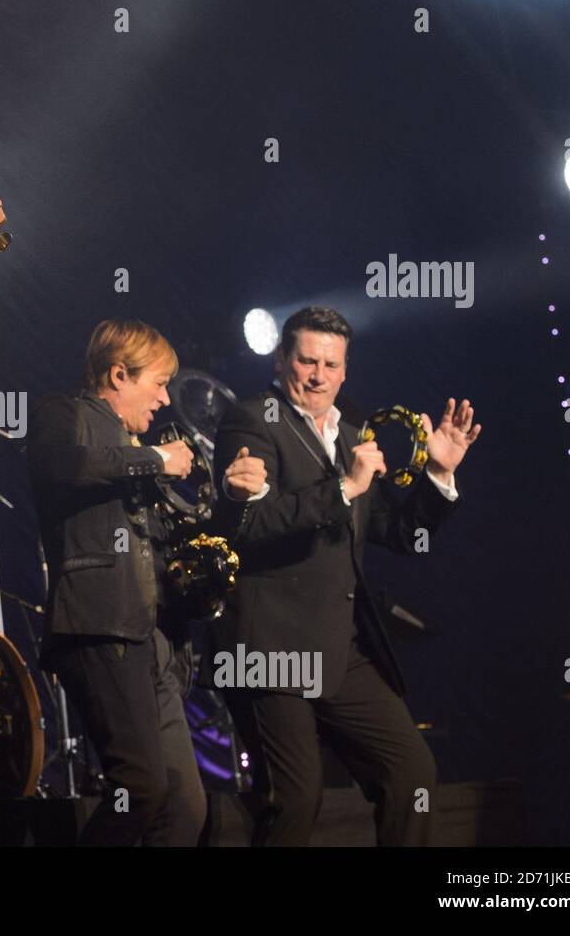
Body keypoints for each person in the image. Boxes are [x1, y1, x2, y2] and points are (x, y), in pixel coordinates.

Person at [208, 306, 481, 845]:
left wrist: (438, 475)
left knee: (411, 775)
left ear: (345, 370)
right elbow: (249, 526)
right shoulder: (251, 418)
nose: (318, 376)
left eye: (331, 365)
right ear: (283, 360)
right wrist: (342, 490)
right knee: (295, 799)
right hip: (270, 648)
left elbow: (397, 532)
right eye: (307, 361)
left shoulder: (353, 429)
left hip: (339, 645)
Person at [28, 319, 268, 845]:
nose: (165, 399)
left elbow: (188, 547)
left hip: (154, 640)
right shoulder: (63, 412)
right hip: (100, 627)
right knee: (138, 787)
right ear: (119, 374)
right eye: (158, 383)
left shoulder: (136, 450)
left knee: (184, 806)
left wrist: (231, 500)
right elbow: (57, 467)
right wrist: (155, 459)